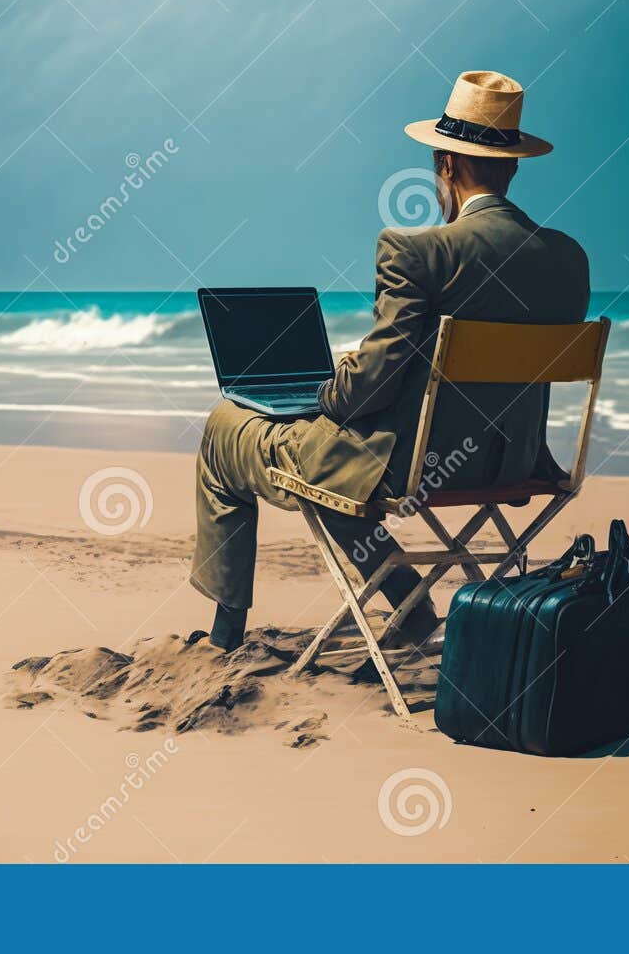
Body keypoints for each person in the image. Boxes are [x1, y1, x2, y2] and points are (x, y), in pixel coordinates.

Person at [191, 70, 591, 651]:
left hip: (411, 467)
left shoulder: (418, 250)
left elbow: (373, 381)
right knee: (334, 455)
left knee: (227, 429)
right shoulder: (567, 258)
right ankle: (403, 600)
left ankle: (227, 632)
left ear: (446, 164)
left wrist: (329, 389)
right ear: (514, 164)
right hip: (513, 465)